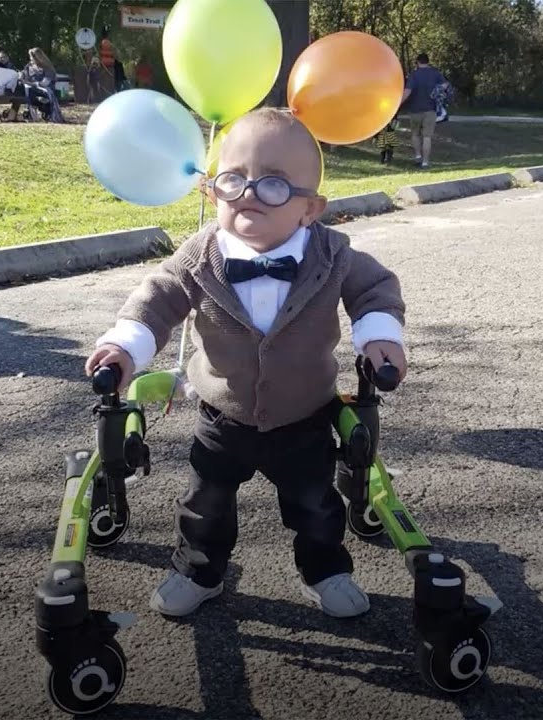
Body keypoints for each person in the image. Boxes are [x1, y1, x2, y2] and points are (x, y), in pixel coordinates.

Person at [85, 108, 408, 619]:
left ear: (310, 209)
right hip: (222, 415)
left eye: (275, 185)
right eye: (234, 179)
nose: (250, 194)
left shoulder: (332, 255)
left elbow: (375, 290)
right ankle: (199, 569)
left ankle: (325, 570)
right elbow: (158, 298)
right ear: (211, 191)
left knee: (315, 505)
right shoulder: (200, 255)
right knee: (204, 503)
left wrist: (380, 335)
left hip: (304, 414)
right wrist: (127, 344)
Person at [398, 52, 447, 169]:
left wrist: (398, 104)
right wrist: (437, 91)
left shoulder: (413, 75)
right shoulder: (435, 74)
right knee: (427, 137)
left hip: (415, 109)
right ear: (428, 61)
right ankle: (425, 162)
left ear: (418, 62)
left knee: (415, 134)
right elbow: (445, 85)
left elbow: (407, 91)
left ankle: (417, 156)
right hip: (430, 109)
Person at [21, 47, 64, 123]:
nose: (31, 59)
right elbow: (24, 77)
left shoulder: (47, 68)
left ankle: (46, 113)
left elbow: (45, 83)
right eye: (31, 57)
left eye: (33, 57)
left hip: (46, 90)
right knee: (28, 90)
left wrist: (29, 83)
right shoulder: (28, 67)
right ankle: (32, 114)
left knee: (35, 91)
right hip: (31, 90)